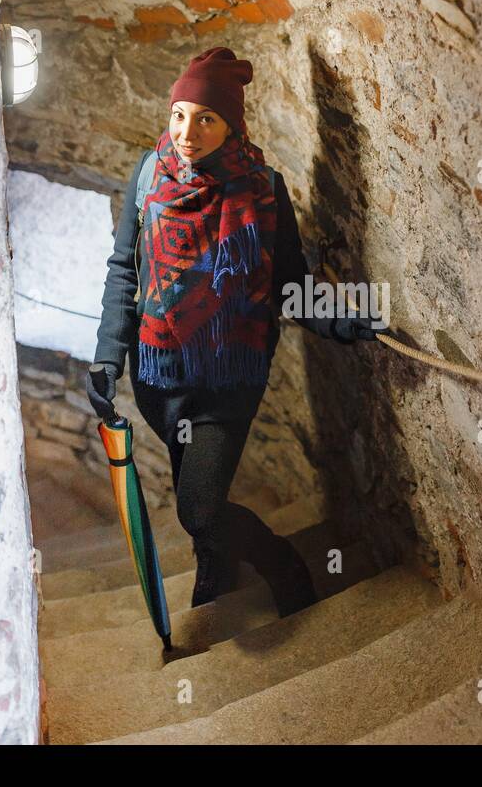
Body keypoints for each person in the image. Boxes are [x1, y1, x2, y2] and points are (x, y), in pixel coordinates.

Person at [86, 46, 381, 618]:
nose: (186, 132)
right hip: (159, 375)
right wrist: (106, 359)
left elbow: (289, 286)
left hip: (228, 378)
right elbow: (124, 270)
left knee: (198, 506)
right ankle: (214, 565)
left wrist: (345, 320)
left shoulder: (264, 190)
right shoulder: (149, 176)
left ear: (231, 124)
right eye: (179, 114)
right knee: (197, 489)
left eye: (205, 118)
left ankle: (281, 567)